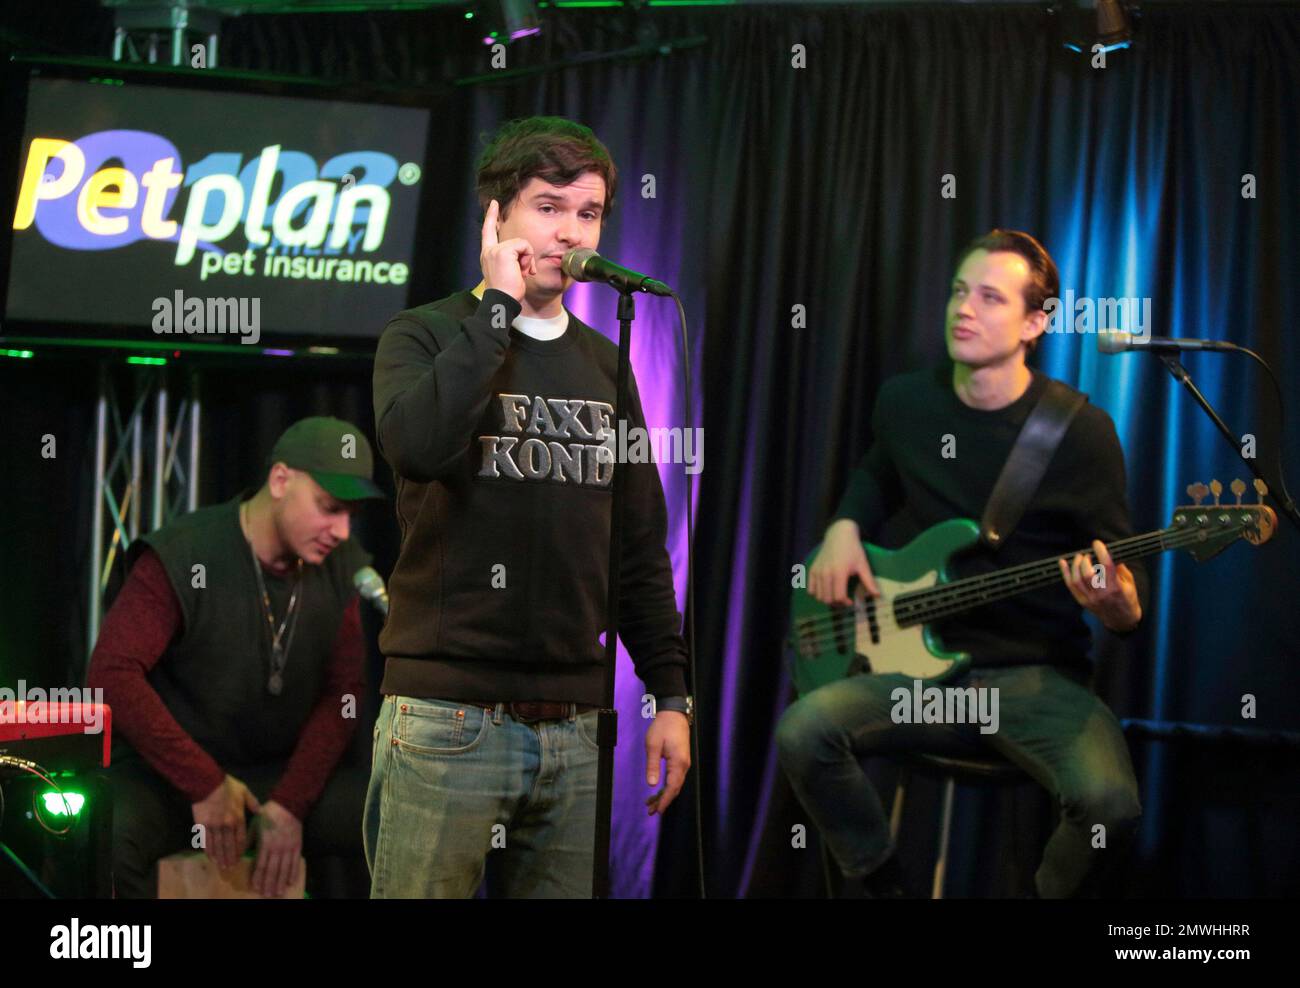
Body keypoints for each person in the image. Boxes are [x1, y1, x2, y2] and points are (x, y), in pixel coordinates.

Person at [366, 115, 692, 898]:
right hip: (447, 717)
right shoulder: (424, 334)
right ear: (497, 214)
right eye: (549, 207)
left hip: (574, 728)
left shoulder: (607, 364)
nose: (569, 232)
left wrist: (671, 695)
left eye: (588, 213)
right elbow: (419, 447)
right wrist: (496, 313)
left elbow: (636, 545)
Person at [776, 230, 1148, 899]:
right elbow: (877, 473)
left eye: (990, 298)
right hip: (919, 677)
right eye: (958, 291)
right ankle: (883, 886)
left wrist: (1119, 605)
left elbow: (1123, 575)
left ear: (1035, 323)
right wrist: (843, 529)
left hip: (1036, 678)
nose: (964, 308)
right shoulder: (907, 403)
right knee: (804, 731)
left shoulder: (1081, 433)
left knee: (1110, 806)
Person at [88, 416, 384, 898]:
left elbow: (343, 695)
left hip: (275, 779)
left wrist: (290, 804)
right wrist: (204, 784)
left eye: (350, 514)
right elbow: (110, 674)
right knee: (109, 831)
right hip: (172, 778)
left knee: (393, 811)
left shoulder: (342, 567)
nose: (341, 530)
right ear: (281, 480)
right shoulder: (185, 553)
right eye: (329, 508)